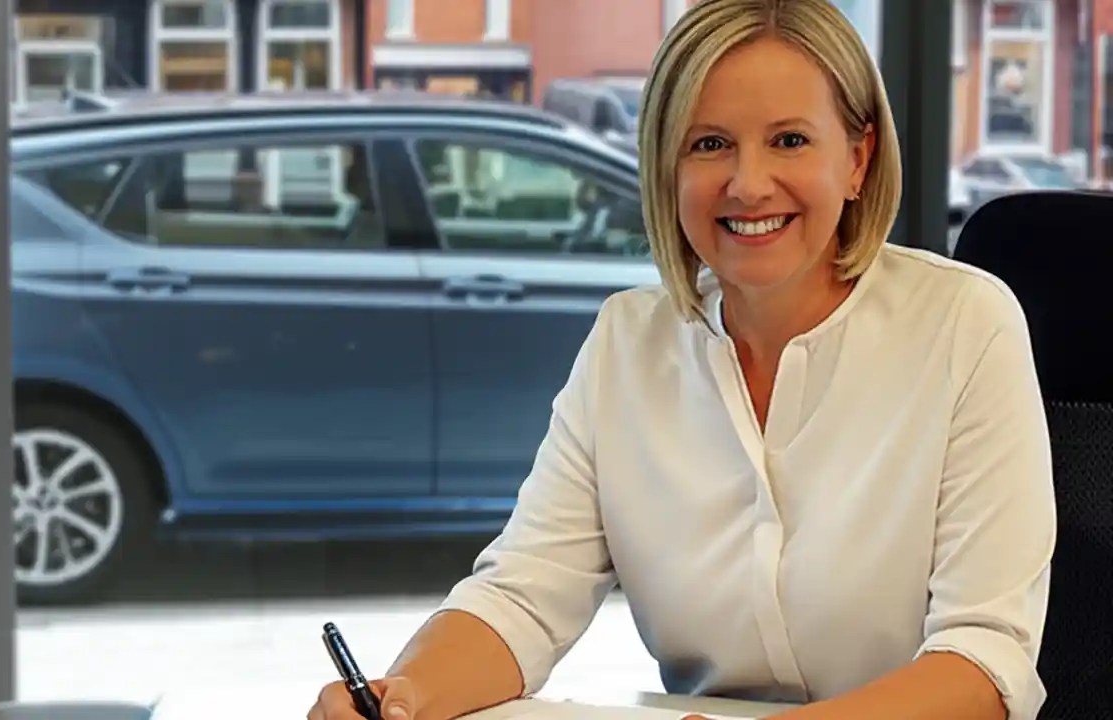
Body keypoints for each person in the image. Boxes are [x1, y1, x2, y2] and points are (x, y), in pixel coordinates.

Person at [308, 0, 1056, 718]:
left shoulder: (965, 324)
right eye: (710, 144)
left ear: (858, 160)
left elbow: (984, 662)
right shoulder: (625, 346)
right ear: (667, 166)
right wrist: (403, 698)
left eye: (790, 140)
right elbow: (522, 598)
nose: (748, 182)